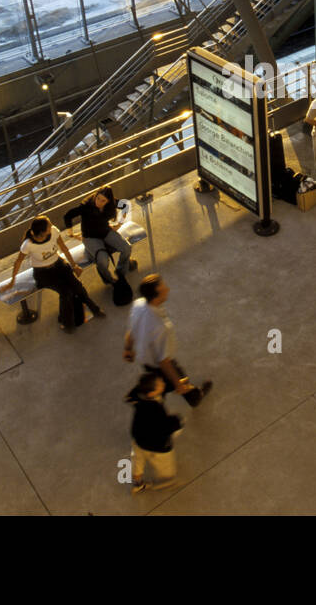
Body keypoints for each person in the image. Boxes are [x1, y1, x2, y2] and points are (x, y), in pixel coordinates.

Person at [122, 274, 212, 408]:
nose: (168, 289)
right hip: (157, 365)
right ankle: (194, 397)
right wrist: (178, 384)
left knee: (154, 383)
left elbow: (132, 330)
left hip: (144, 360)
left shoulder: (138, 305)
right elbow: (163, 361)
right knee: (174, 380)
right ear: (156, 296)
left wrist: (128, 349)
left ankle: (140, 395)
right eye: (164, 288)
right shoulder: (161, 327)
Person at [8, 214, 104, 330]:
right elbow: (18, 262)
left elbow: (64, 248)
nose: (52, 225)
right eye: (49, 225)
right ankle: (67, 323)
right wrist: (13, 279)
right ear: (42, 232)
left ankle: (95, 309)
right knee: (65, 292)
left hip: (59, 265)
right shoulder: (28, 245)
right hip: (43, 273)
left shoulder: (53, 231)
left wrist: (74, 265)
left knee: (78, 286)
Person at [64, 187, 135, 289]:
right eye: (98, 198)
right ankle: (108, 279)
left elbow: (125, 205)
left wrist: (119, 225)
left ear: (108, 201)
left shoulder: (112, 203)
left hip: (105, 231)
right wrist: (71, 233)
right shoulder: (86, 206)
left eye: (103, 201)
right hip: (90, 237)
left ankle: (121, 270)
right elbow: (68, 215)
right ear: (95, 195)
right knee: (103, 259)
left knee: (126, 248)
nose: (99, 202)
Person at [125, 371, 183, 493]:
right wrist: (177, 422)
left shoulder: (138, 399)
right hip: (155, 446)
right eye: (159, 384)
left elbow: (129, 397)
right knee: (165, 467)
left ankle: (137, 483)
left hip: (138, 441)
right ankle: (165, 482)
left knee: (138, 462)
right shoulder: (155, 410)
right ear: (152, 393)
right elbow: (164, 427)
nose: (162, 383)